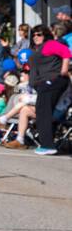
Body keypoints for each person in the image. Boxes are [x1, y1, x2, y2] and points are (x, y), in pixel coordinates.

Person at [29, 24, 70, 155]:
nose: (36, 37)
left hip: (52, 81)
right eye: (34, 34)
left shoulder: (49, 44)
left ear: (45, 35)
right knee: (45, 113)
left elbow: (66, 52)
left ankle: (47, 145)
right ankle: (49, 144)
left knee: (43, 113)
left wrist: (64, 70)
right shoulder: (38, 49)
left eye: (39, 34)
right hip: (44, 84)